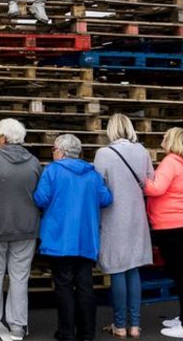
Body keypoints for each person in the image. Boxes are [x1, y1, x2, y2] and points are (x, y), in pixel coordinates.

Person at [34, 134, 112, 341]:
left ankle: (66, 332)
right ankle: (87, 333)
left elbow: (40, 199)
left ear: (60, 151)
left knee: (63, 286)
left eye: (53, 149)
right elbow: (106, 198)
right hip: (86, 239)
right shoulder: (92, 174)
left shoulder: (52, 171)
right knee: (85, 285)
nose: (53, 153)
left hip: (59, 239)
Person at [0, 119, 42, 341]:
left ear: (3, 138)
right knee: (19, 277)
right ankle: (17, 326)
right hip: (26, 227)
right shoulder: (34, 162)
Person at [94, 114, 153, 339]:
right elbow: (150, 181)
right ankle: (135, 325)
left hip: (112, 217)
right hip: (137, 217)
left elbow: (98, 187)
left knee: (117, 269)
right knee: (134, 267)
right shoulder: (142, 151)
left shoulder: (103, 154)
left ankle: (119, 325)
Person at [144, 128, 183, 340]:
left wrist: (141, 179)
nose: (162, 138)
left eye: (165, 136)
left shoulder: (170, 161)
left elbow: (156, 188)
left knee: (181, 275)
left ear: (173, 141)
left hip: (170, 224)